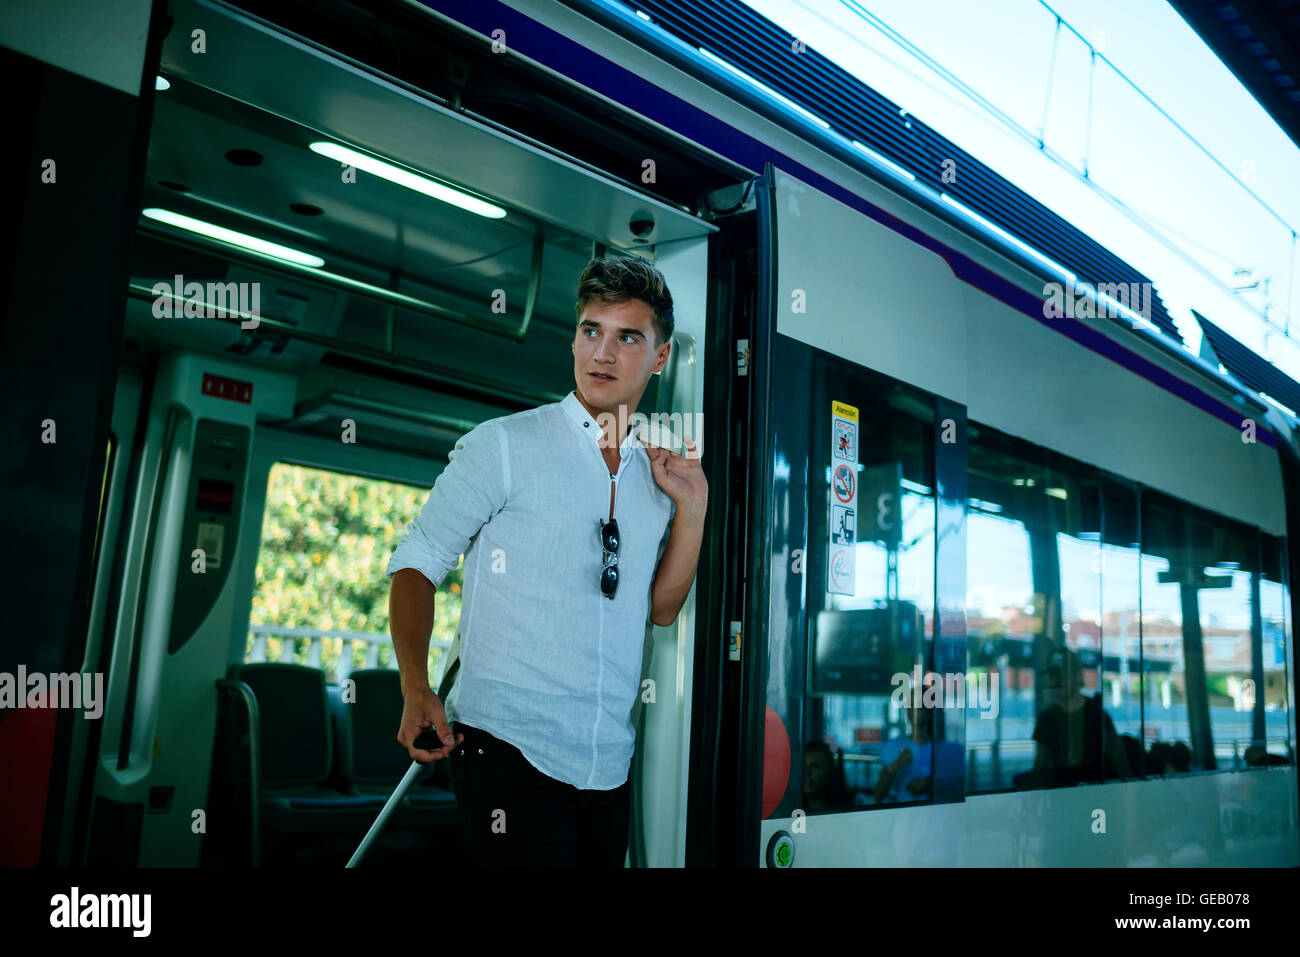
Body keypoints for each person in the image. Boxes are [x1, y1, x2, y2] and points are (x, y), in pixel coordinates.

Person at [386, 254, 708, 868]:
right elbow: (418, 561)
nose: (603, 355)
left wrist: (693, 508)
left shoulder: (656, 478)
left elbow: (661, 612)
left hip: (607, 760)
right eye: (592, 331)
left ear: (660, 357)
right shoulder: (504, 446)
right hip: (506, 746)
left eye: (628, 337)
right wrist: (415, 685)